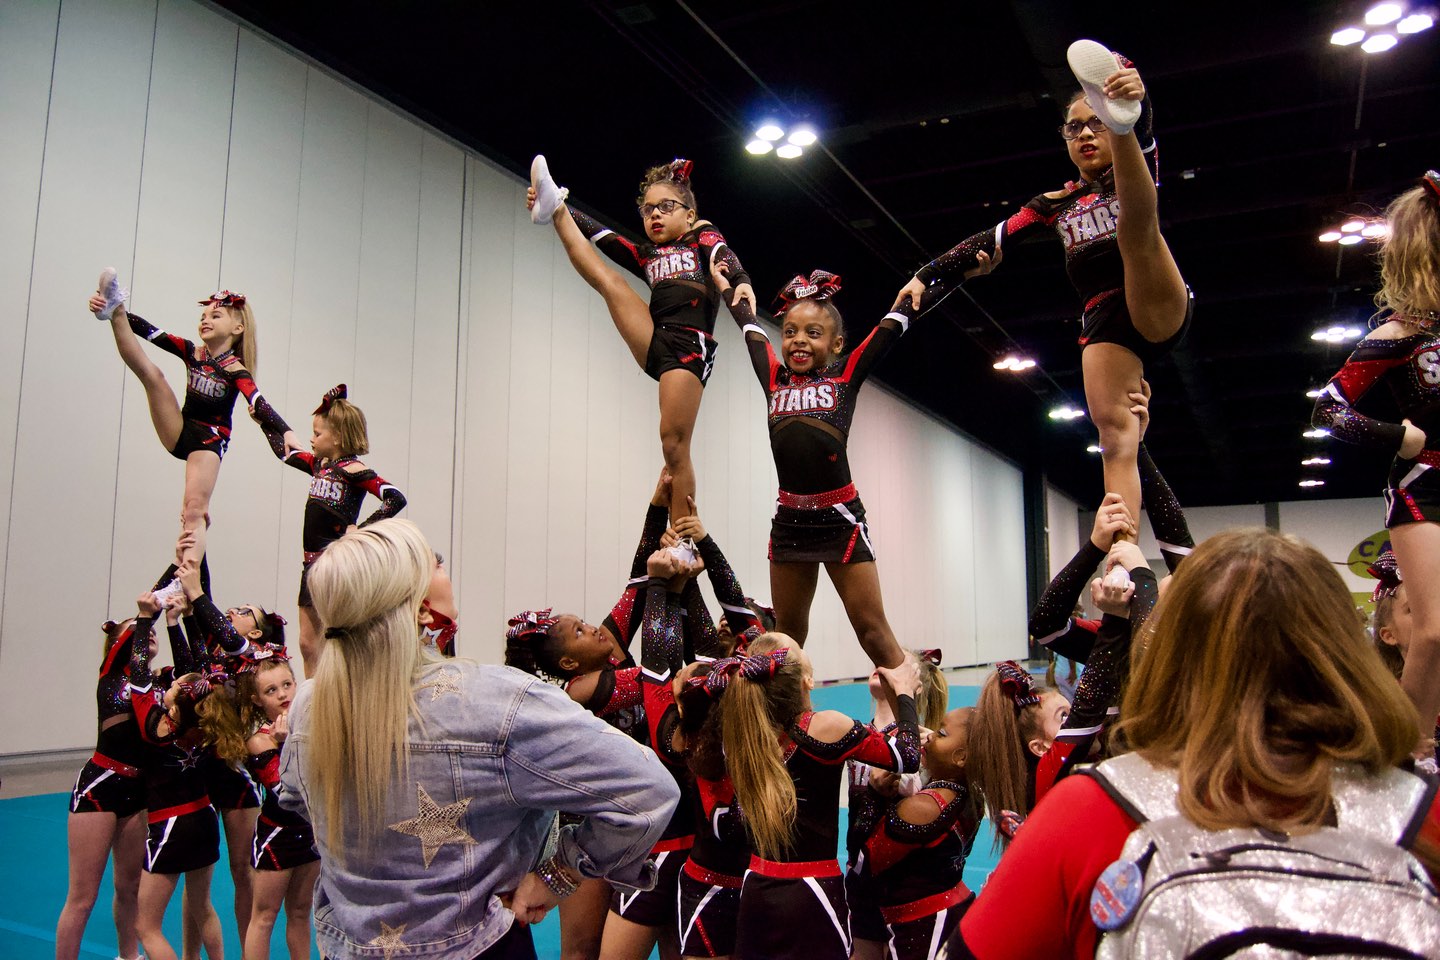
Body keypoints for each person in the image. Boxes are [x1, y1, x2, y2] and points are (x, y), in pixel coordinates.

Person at [954, 529, 1440, 959]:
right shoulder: (1418, 807)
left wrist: (1136, 576)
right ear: (1346, 649)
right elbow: (1052, 625)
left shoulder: (1092, 810)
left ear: (1172, 650)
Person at [278, 518, 680, 960]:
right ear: (422, 610)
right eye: (436, 563)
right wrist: (559, 874)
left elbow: (297, 800)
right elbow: (648, 790)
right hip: (477, 944)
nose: (444, 567)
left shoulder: (309, 705)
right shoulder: (497, 702)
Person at [895, 42, 1191, 536]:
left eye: (1095, 122)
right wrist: (926, 274)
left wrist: (1133, 116)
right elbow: (992, 237)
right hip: (1105, 317)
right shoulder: (1055, 203)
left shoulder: (1138, 165)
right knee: (1116, 437)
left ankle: (1125, 120)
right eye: (1074, 128)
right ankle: (1123, 547)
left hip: (1155, 292)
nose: (1084, 134)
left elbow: (1144, 170)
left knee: (1135, 230)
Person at [713, 265, 966, 668]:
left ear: (836, 343)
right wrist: (728, 282)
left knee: (872, 631)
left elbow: (900, 316)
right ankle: (791, 707)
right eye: (790, 331)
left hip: (840, 517)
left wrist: (957, 274)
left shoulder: (845, 374)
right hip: (791, 521)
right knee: (786, 639)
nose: (798, 340)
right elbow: (747, 322)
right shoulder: (774, 378)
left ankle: (910, 706)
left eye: (813, 333)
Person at [528, 157, 754, 525]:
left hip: (689, 348)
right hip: (655, 336)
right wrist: (560, 204)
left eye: (666, 207)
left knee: (673, 445)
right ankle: (553, 208)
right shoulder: (647, 255)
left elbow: (720, 252)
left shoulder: (700, 235)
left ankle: (683, 538)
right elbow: (603, 236)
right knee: (610, 282)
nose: (655, 215)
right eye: (648, 210)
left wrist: (740, 278)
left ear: (690, 215)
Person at [1313, 170, 1440, 746]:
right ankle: (1410, 758)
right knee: (1434, 633)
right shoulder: (1402, 333)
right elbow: (1328, 410)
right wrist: (1397, 437)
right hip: (1426, 482)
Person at [718, 636, 922, 959]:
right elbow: (907, 755)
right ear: (807, 680)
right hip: (812, 893)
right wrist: (905, 691)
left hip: (756, 887)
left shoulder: (746, 735)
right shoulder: (825, 727)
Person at [89, 275, 292, 568]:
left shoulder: (236, 370)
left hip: (209, 441)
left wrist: (286, 431)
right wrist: (119, 313)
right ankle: (115, 310)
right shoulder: (192, 352)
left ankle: (187, 574)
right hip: (180, 427)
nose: (205, 319)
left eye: (215, 316)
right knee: (153, 376)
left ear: (238, 328)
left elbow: (258, 401)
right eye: (203, 316)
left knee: (194, 509)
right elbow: (152, 333)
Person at [256, 383, 407, 674]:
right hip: (310, 566)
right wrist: (263, 422)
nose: (311, 439)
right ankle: (312, 697)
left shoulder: (354, 471)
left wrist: (362, 532)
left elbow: (395, 498)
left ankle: (338, 692)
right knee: (307, 644)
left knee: (335, 642)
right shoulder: (318, 465)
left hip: (335, 567)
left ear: (337, 436)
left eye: (317, 434)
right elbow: (284, 451)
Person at [55, 616, 151, 960]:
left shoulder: (153, 684)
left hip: (137, 791)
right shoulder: (110, 675)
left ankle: (129, 956)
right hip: (100, 788)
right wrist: (148, 612)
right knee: (82, 898)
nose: (147, 633)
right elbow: (136, 632)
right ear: (117, 644)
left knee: (130, 887)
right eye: (138, 629)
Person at [237, 647, 317, 960]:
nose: (283, 694)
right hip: (277, 837)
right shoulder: (260, 740)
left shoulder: (309, 727)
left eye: (287, 684)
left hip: (309, 830)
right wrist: (285, 744)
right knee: (265, 916)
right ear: (257, 700)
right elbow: (285, 790)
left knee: (300, 911)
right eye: (271, 690)